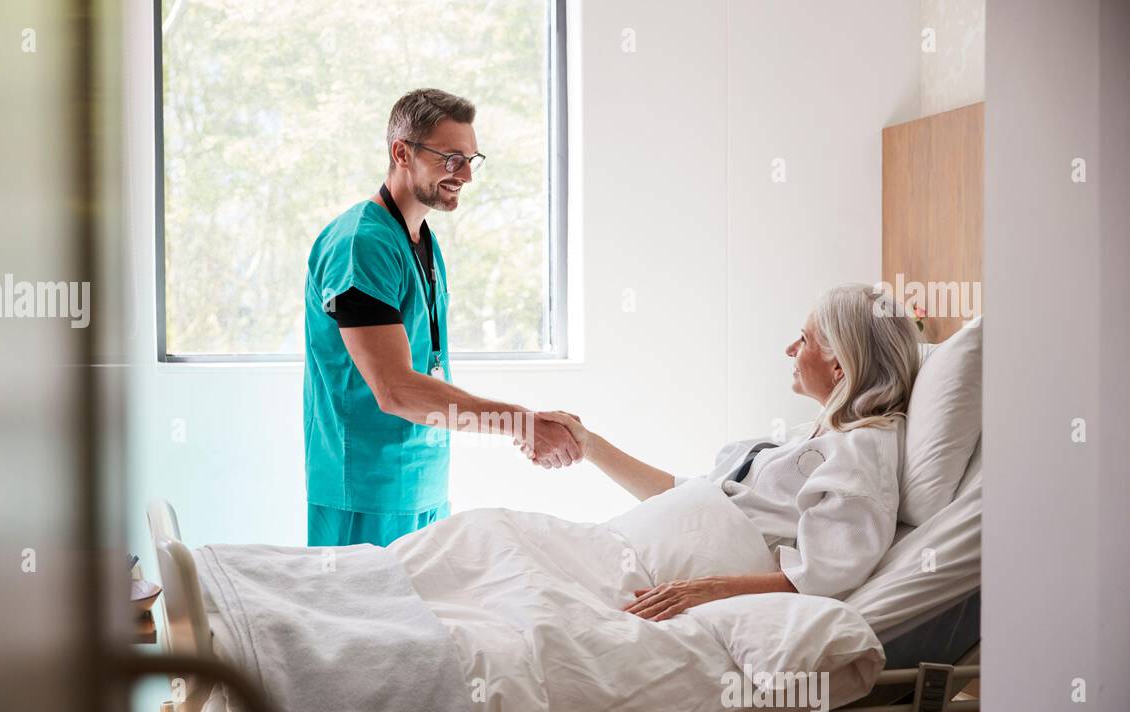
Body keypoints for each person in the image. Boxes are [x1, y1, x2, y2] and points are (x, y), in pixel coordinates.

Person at [539, 283, 921, 620]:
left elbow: (822, 576)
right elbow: (689, 497)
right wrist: (590, 444)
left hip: (649, 581)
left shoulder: (860, 453)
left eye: (803, 340)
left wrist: (704, 589)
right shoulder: (819, 433)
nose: (790, 349)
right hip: (623, 553)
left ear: (838, 366)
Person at [303, 88, 582, 547]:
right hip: (366, 492)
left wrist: (525, 424)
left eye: (471, 160)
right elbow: (395, 390)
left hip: (423, 483)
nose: (466, 175)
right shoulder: (361, 244)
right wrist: (521, 423)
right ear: (402, 153)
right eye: (452, 159)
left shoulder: (422, 240)